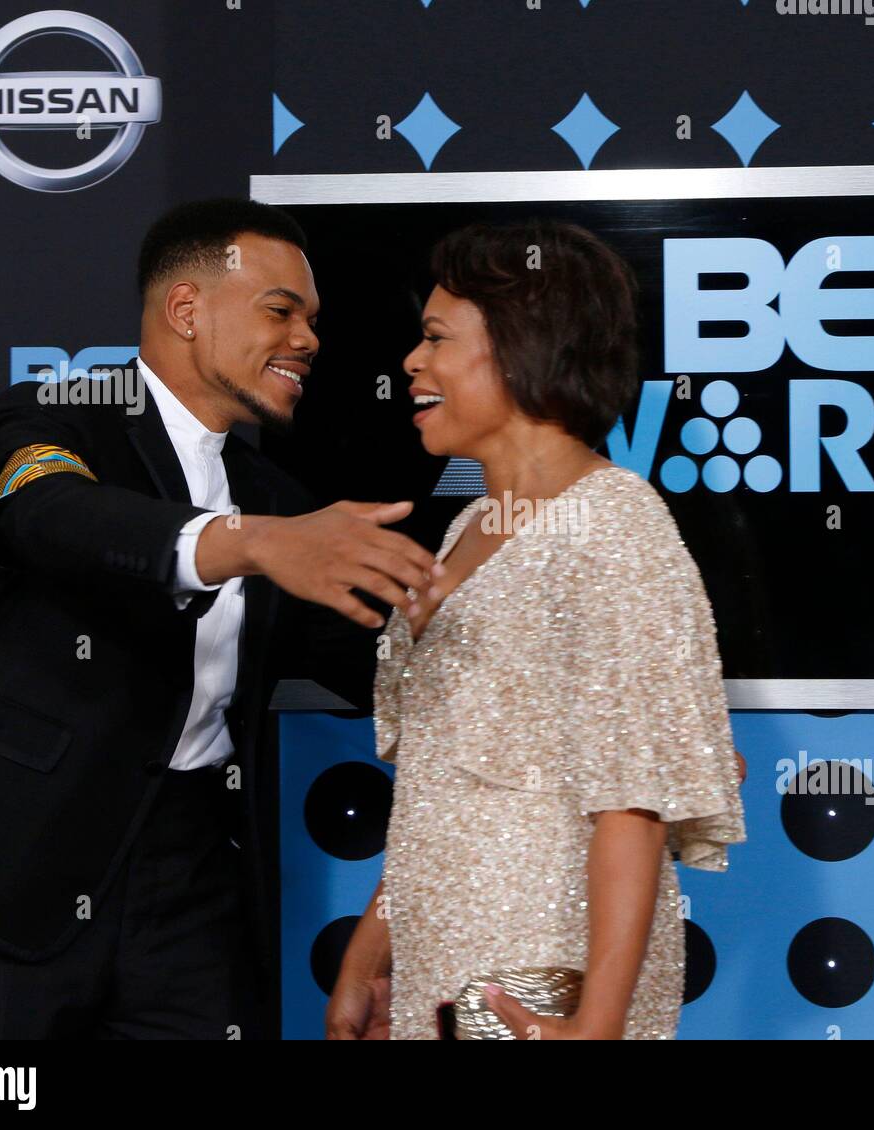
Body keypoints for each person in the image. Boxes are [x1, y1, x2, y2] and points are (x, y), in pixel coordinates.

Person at [0, 198, 442, 1039]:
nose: (309, 339)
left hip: (194, 886)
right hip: (17, 871)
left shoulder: (276, 501)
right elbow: (42, 516)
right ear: (186, 309)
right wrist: (242, 544)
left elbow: (368, 662)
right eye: (280, 310)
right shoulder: (55, 416)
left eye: (314, 319)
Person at [327, 219, 747, 1040]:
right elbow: (440, 797)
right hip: (442, 970)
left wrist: (597, 1026)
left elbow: (633, 802)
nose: (413, 362)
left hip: (542, 976)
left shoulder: (617, 526)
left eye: (437, 337)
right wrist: (367, 961)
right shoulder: (467, 528)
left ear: (523, 346)